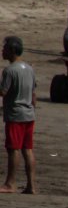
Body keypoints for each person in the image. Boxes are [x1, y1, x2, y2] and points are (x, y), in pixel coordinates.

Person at [1, 36, 37, 194]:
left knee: (13, 149)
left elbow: (3, 91)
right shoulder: (29, 69)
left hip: (16, 115)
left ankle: (10, 183)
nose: (2, 51)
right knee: (27, 150)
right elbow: (33, 94)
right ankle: (31, 185)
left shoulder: (9, 70)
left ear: (12, 51)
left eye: (5, 48)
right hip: (29, 114)